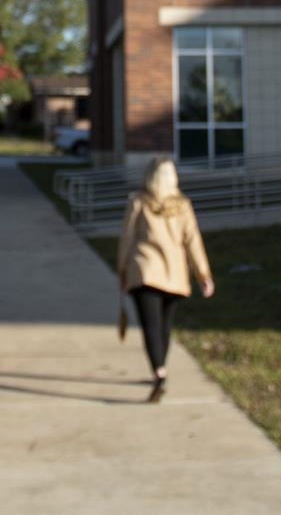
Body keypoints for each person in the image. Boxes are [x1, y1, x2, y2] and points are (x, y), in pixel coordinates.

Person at [116, 158, 214, 402]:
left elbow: (127, 238)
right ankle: (161, 368)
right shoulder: (183, 205)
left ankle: (158, 372)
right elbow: (193, 241)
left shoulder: (138, 202)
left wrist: (122, 269)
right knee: (165, 326)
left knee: (150, 325)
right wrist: (203, 274)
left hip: (144, 271)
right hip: (175, 275)